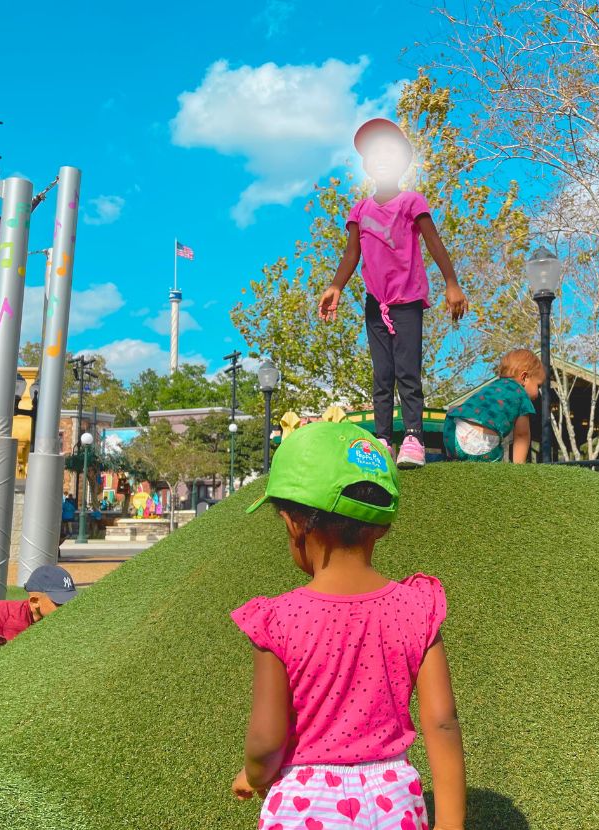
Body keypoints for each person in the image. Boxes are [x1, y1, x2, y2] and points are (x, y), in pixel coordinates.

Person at [229, 421, 466, 829]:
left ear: (292, 524)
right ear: (383, 524)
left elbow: (267, 741)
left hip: (305, 804)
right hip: (393, 798)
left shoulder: (277, 619)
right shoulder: (417, 607)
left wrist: (253, 774)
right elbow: (442, 721)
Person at [318, 117, 469, 469]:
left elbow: (433, 242)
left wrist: (452, 283)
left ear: (402, 162)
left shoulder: (411, 202)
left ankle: (412, 436)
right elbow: (351, 254)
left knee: (407, 372)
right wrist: (336, 286)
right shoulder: (360, 210)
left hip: (407, 302)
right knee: (382, 375)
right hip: (376, 304)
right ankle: (383, 440)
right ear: (367, 165)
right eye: (375, 155)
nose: (382, 160)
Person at [0, 564, 77, 672]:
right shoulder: (18, 621)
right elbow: (16, 658)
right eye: (59, 603)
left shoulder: (43, 616)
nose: (65, 608)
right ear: (34, 602)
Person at [443, 349, 544, 463]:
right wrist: (519, 467)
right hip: (480, 445)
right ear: (524, 377)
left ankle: (454, 459)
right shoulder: (521, 395)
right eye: (538, 386)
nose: (539, 392)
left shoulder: (493, 386)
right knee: (496, 459)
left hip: (452, 429)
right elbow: (522, 435)